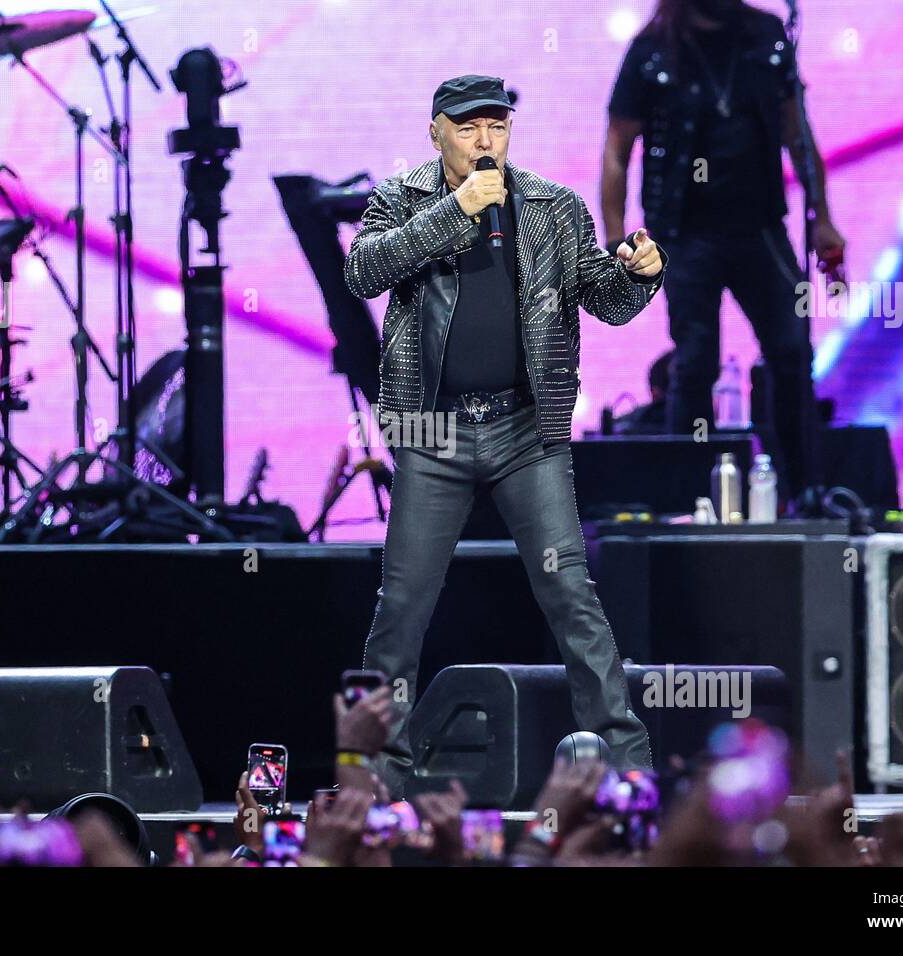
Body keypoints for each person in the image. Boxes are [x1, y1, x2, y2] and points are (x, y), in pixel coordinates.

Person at [345, 74, 667, 796]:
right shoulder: (403, 199)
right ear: (437, 133)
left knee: (571, 595)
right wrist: (456, 211)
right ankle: (375, 772)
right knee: (402, 607)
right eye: (468, 128)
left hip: (527, 430)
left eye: (497, 126)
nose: (485, 141)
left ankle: (624, 766)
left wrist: (642, 273)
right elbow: (364, 271)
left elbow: (607, 302)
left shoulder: (553, 207)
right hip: (433, 431)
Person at [601, 0, 845, 506]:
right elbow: (617, 148)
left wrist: (822, 217)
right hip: (685, 232)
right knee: (695, 361)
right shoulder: (653, 49)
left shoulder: (767, 36)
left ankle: (803, 494)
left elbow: (797, 135)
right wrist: (615, 235)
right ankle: (691, 501)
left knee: (792, 350)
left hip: (759, 226)